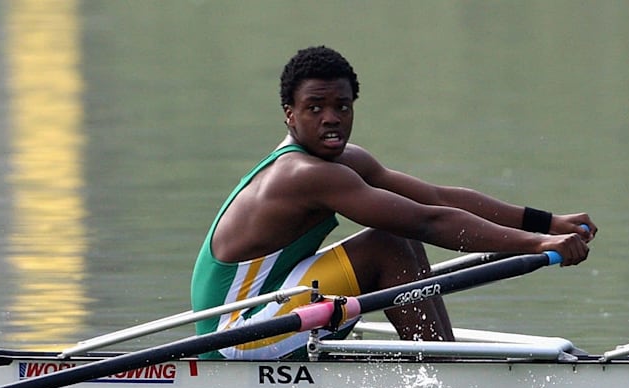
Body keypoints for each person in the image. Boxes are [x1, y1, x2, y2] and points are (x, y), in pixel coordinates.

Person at [191, 46, 596, 359]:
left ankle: (442, 363)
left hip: (271, 308)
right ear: (289, 115)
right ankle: (442, 374)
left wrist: (546, 223)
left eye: (342, 107)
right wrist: (536, 244)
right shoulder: (303, 174)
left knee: (397, 242)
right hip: (233, 337)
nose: (331, 118)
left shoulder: (342, 161)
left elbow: (436, 197)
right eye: (315, 108)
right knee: (389, 243)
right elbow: (428, 221)